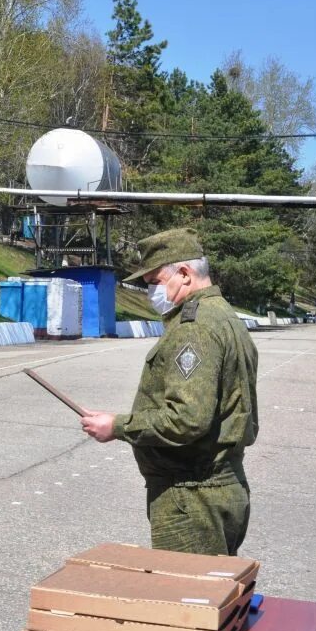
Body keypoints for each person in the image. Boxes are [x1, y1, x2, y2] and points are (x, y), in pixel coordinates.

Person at [80, 228, 258, 556]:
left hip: (191, 497)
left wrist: (117, 426)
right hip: (220, 489)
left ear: (185, 274)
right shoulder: (225, 317)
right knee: (213, 597)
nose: (151, 292)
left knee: (188, 602)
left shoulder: (195, 329)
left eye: (155, 282)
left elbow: (188, 418)